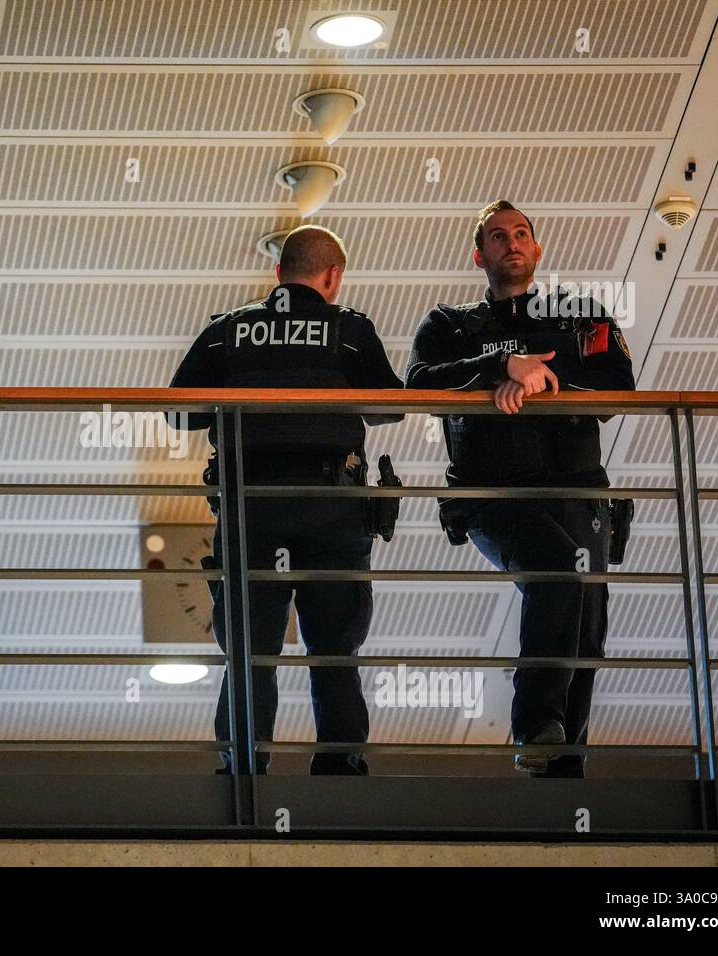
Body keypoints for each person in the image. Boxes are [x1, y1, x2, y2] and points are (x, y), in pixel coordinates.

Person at [405, 199, 636, 777]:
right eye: (498, 236)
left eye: (521, 234)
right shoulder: (448, 324)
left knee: (585, 627)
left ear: (537, 248)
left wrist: (542, 382)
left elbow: (618, 388)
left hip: (579, 488)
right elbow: (418, 384)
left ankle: (561, 778)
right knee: (558, 570)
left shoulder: (582, 312)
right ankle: (534, 728)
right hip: (493, 492)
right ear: (479, 253)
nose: (511, 243)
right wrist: (504, 365)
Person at [169, 225, 404, 775]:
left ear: (278, 272)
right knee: (334, 651)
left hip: (252, 507)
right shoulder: (349, 329)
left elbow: (179, 412)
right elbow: (391, 407)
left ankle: (244, 769)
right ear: (333, 276)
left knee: (251, 653)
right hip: (333, 508)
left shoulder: (229, 330)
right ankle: (340, 770)